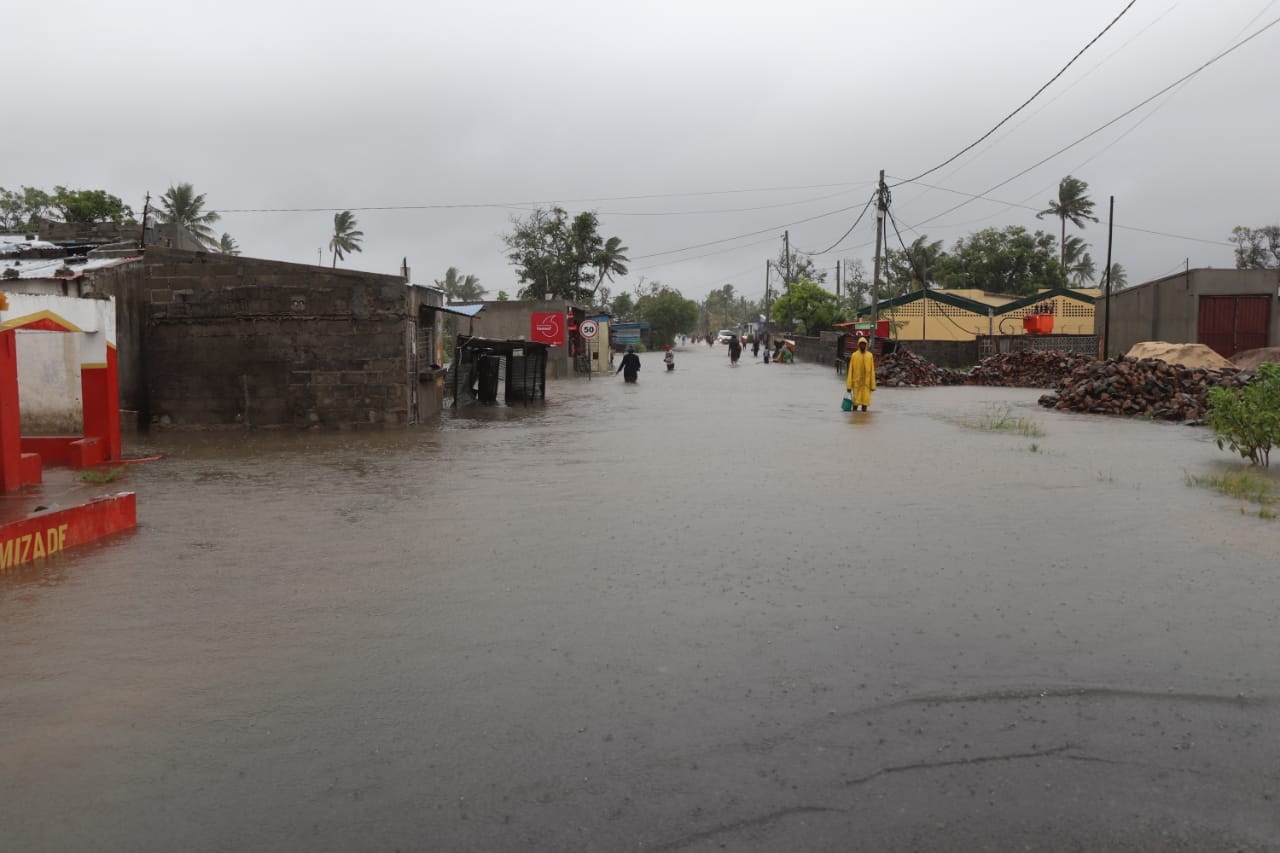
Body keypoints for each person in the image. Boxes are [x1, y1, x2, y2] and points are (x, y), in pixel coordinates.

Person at [845, 335, 876, 411]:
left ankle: (863, 419)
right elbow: (850, 371)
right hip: (857, 383)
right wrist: (849, 386)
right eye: (861, 344)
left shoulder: (870, 356)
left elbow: (872, 371)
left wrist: (873, 385)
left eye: (864, 344)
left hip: (866, 384)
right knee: (855, 403)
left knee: (865, 404)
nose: (862, 345)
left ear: (866, 345)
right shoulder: (854, 355)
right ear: (858, 345)